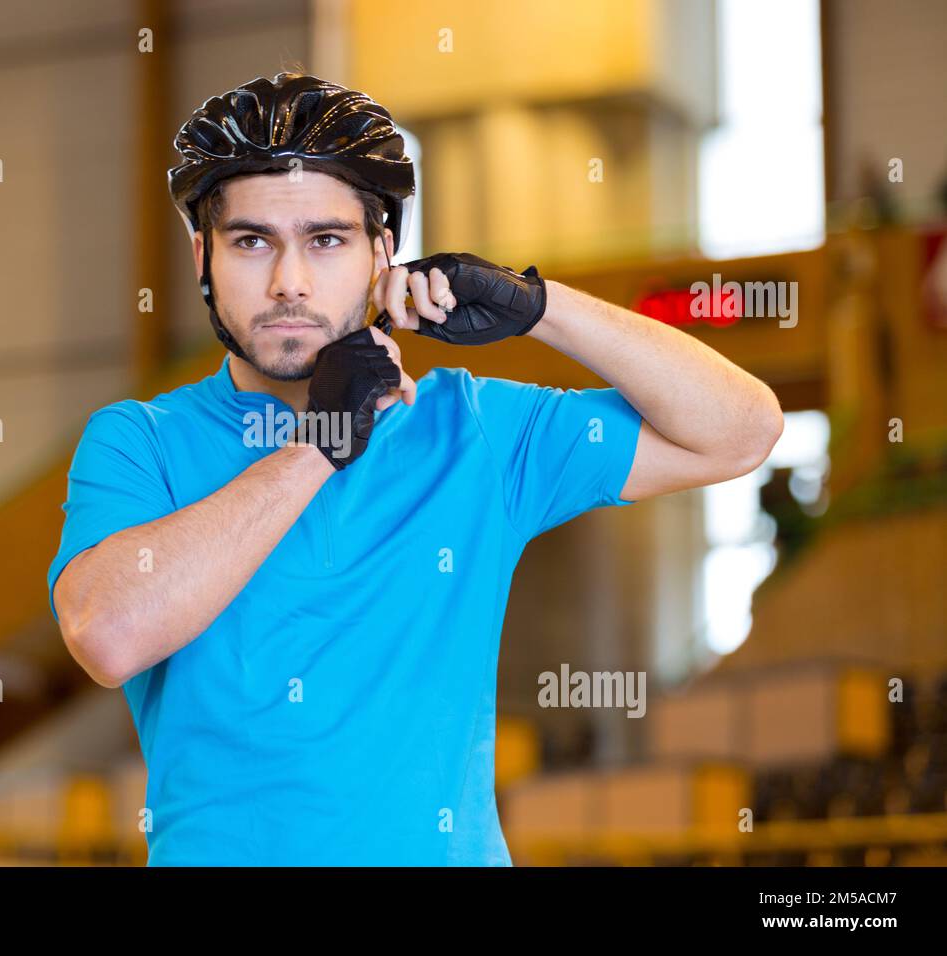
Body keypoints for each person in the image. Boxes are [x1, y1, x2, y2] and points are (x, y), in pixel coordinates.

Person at [47, 72, 784, 865]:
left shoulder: (470, 428)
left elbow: (741, 431)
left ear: (382, 254)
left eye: (326, 241)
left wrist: (541, 309)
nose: (288, 281)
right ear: (204, 256)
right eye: (251, 240)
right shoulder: (138, 441)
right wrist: (318, 446)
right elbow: (108, 634)